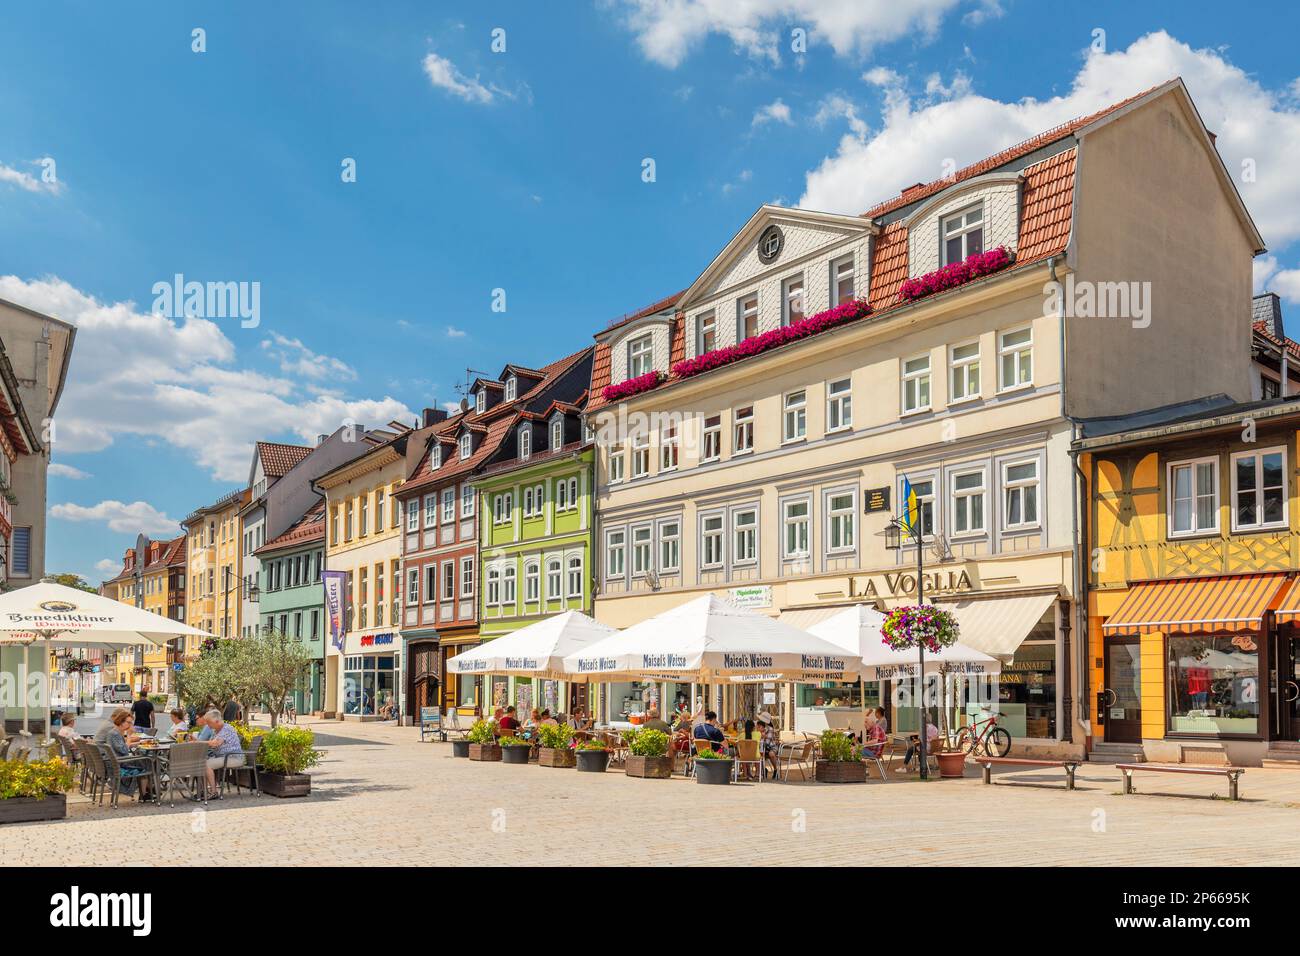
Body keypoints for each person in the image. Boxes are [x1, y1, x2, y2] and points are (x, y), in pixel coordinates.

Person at [104, 709, 154, 801]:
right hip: (120, 765)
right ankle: (146, 793)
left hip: (118, 762)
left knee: (146, 761)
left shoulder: (115, 732)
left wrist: (140, 743)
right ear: (121, 721)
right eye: (128, 723)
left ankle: (147, 791)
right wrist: (129, 736)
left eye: (131, 723)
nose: (130, 725)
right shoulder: (114, 734)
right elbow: (124, 750)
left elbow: (123, 747)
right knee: (148, 762)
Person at [202, 709, 245, 797]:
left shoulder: (227, 728)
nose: (208, 725)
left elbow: (215, 743)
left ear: (216, 721)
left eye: (209, 722)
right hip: (223, 757)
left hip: (234, 758)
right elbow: (211, 744)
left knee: (206, 764)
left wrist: (199, 743)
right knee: (201, 762)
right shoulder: (216, 730)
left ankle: (213, 792)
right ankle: (205, 791)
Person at [757, 713, 780, 779]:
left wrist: (763, 736)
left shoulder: (770, 729)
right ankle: (763, 769)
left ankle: (775, 769)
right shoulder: (759, 727)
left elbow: (767, 741)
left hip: (771, 747)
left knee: (771, 754)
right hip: (762, 747)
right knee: (757, 754)